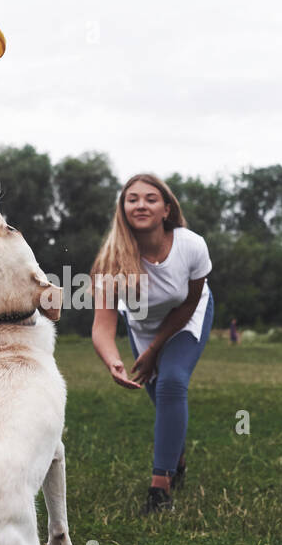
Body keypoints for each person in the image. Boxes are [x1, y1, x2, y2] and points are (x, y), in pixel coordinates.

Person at [90, 173, 215, 514]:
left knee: (172, 383)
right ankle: (178, 458)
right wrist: (113, 360)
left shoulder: (191, 245)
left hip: (188, 317)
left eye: (150, 198)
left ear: (166, 209)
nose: (141, 204)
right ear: (123, 209)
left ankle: (159, 491)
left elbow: (189, 302)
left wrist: (156, 350)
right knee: (162, 401)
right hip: (142, 328)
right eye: (132, 199)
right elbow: (102, 326)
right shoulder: (109, 261)